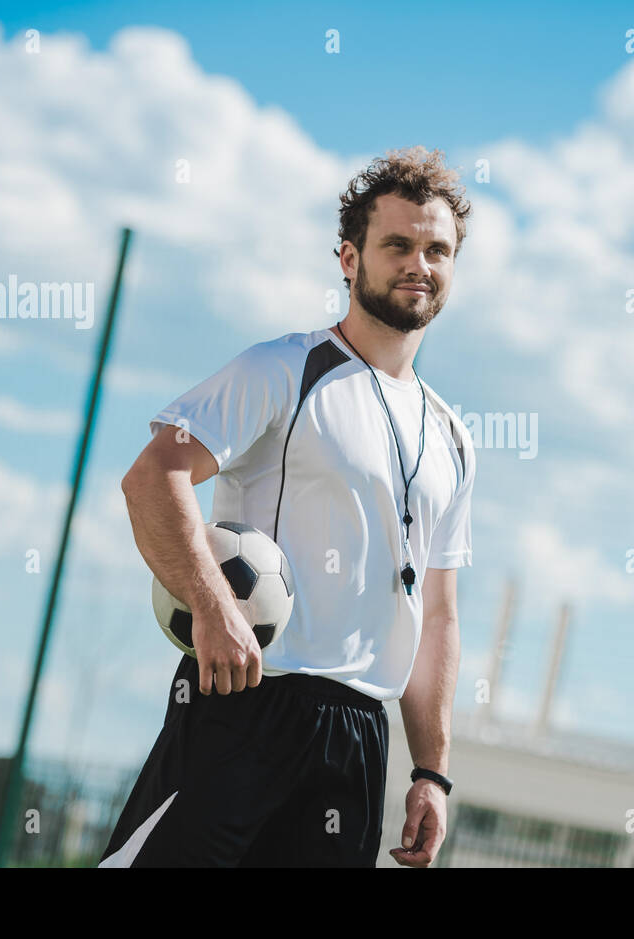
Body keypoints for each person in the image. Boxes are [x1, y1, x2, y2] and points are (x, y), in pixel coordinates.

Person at [98, 146, 475, 868]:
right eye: (396, 244)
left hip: (359, 738)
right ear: (348, 257)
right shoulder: (283, 368)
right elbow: (153, 477)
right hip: (245, 702)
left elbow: (438, 612)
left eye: (438, 250)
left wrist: (431, 771)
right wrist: (211, 605)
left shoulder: (453, 436)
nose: (418, 264)